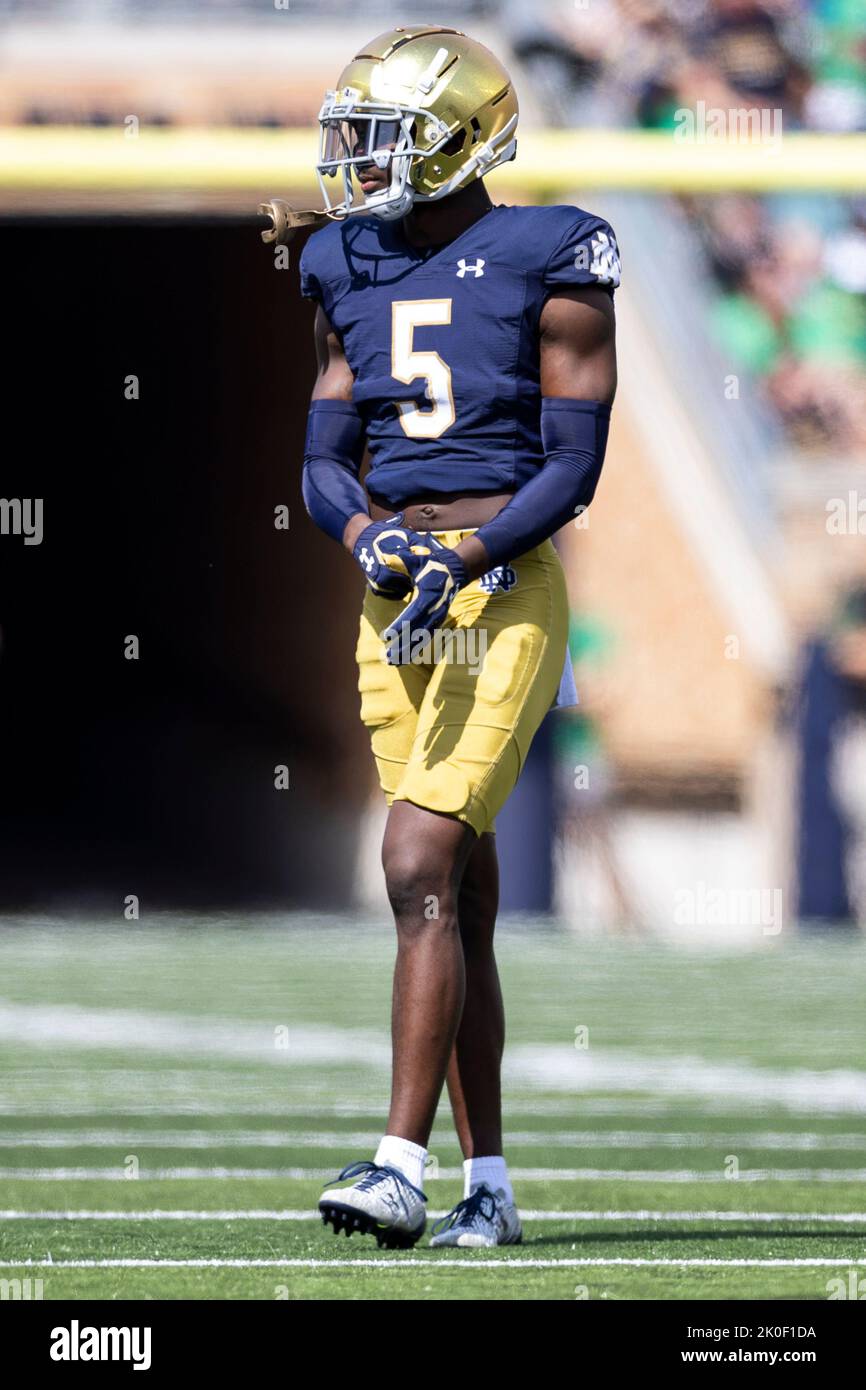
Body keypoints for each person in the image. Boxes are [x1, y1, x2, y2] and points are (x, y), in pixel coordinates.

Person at [299, 24, 619, 1248]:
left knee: (416, 858)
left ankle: (393, 1162)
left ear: (457, 139)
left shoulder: (554, 250)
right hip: (396, 598)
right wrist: (364, 538)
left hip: (498, 588)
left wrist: (464, 553)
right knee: (462, 896)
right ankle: (487, 1189)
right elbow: (326, 458)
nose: (354, 163)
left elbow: (573, 466)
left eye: (381, 139)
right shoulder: (339, 262)